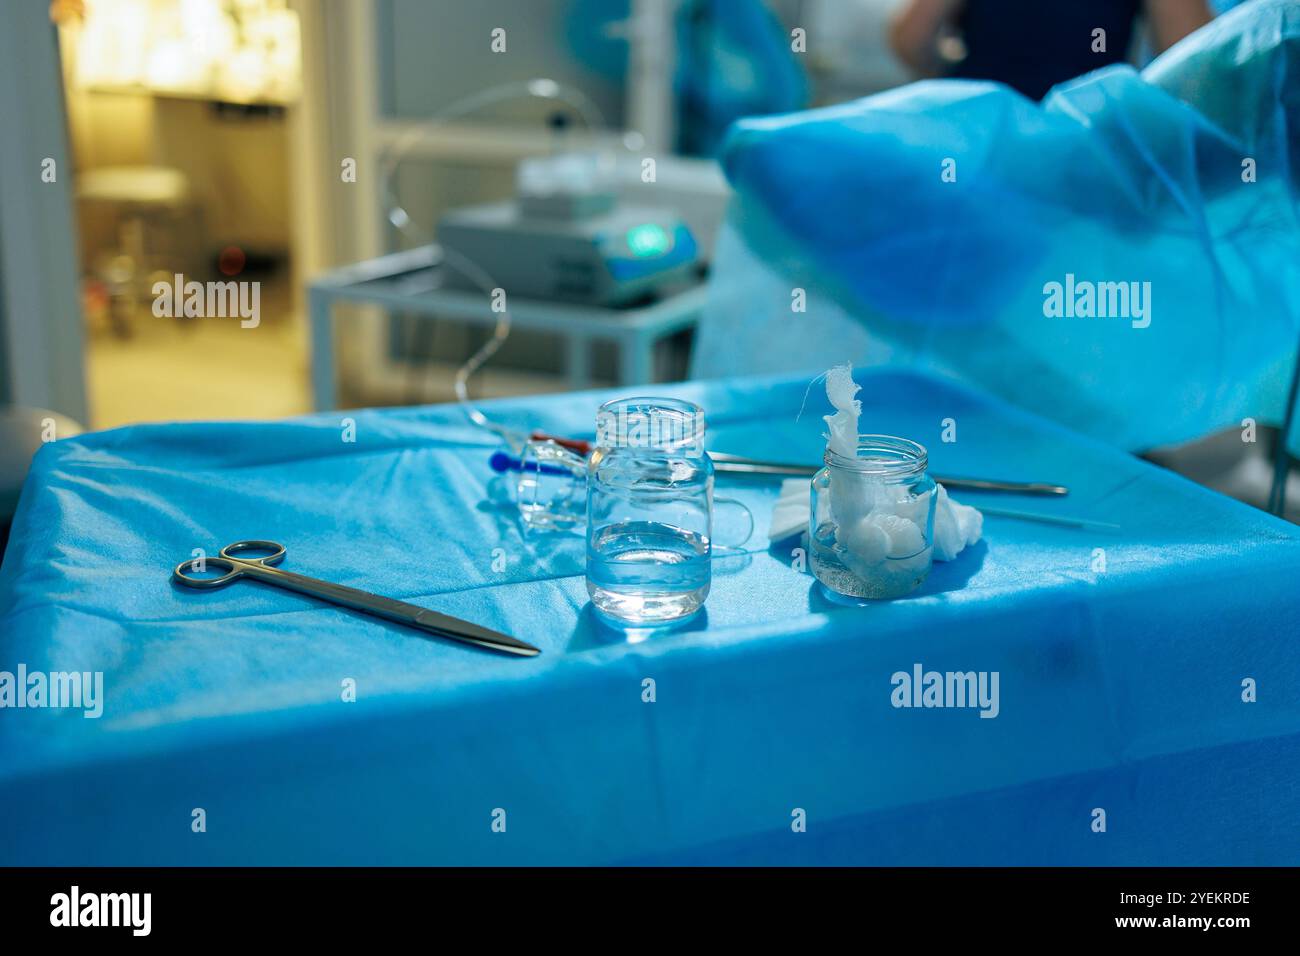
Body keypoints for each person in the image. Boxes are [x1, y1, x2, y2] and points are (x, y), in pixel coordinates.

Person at [888, 0, 1213, 100]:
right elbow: (1196, 65)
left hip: (978, 141)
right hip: (1083, 146)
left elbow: (912, 40)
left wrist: (948, 69)